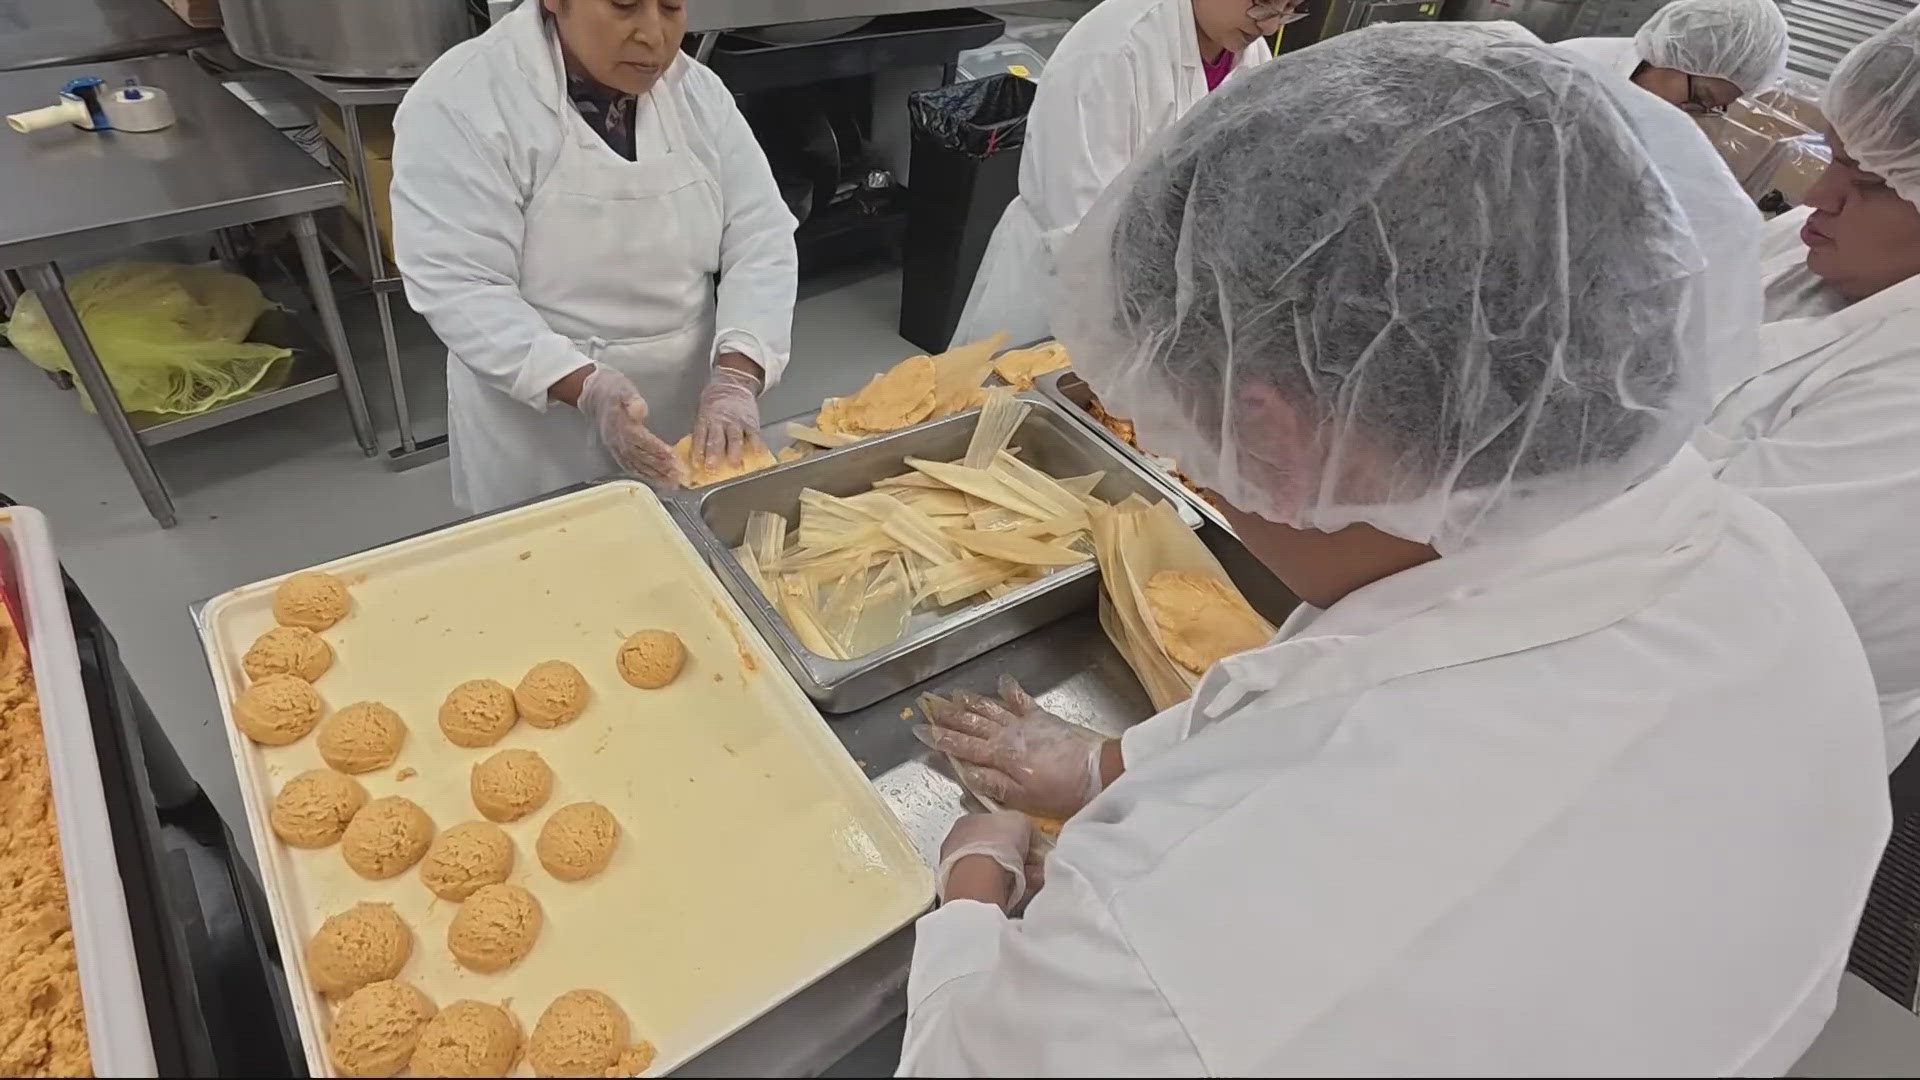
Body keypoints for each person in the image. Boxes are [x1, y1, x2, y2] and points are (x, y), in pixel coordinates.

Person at [902, 23, 1888, 1075]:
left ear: (1274, 433)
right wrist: (1105, 765)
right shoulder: (1768, 576)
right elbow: (1341, 681)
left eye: (1181, 431)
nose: (1191, 465)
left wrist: (973, 887)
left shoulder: (1161, 960)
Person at [391, 0, 798, 513]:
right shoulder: (463, 101)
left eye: (671, 6)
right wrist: (588, 388)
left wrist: (736, 378)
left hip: (684, 407)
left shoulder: (697, 94)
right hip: (538, 430)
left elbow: (760, 237)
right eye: (624, 4)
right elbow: (461, 284)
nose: (654, 35)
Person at [1697, 13, 1920, 767]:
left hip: (1733, 739)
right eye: (1834, 157)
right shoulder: (1817, 243)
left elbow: (1731, 600)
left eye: (1872, 182)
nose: (1817, 192)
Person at [950, 0, 1295, 347]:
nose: (1270, 26)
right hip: (1066, 289)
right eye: (1262, 3)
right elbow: (1079, 223)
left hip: (1161, 301)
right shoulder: (1112, 48)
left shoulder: (1251, 54)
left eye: (1291, 7)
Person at [1556, 0, 1791, 115]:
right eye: (1700, 97)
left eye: (1711, 109)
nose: (1687, 114)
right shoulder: (1566, 79)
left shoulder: (1637, 98)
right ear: (1675, 53)